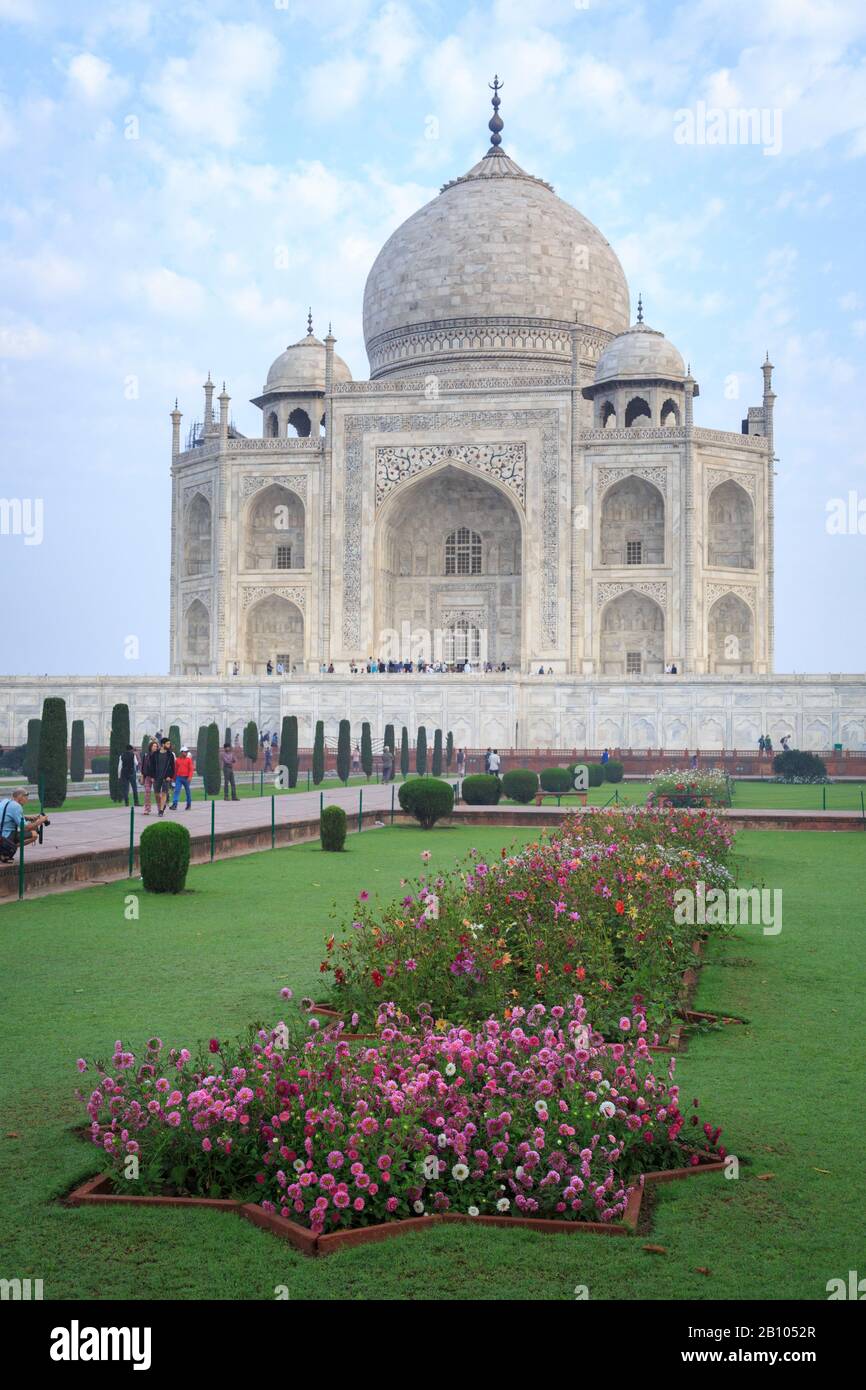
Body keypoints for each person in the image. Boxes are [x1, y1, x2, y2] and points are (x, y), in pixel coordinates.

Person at [0, 788, 49, 861]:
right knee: (34, 834)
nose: (27, 800)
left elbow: (9, 815)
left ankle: (4, 849)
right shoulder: (16, 806)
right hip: (6, 836)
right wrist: (41, 821)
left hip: (1, 834)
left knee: (32, 828)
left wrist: (28, 818)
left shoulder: (5, 801)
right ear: (20, 797)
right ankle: (7, 850)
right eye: (26, 798)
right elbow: (25, 828)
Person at [152, 738, 175, 817]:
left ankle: (161, 810)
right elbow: (151, 766)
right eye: (168, 744)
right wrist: (152, 776)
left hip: (166, 777)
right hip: (156, 777)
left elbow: (173, 767)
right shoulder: (155, 754)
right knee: (156, 794)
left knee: (164, 793)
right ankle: (162, 804)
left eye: (169, 744)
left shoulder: (170, 755)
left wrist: (170, 776)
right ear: (163, 744)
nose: (169, 745)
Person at [141, 739, 159, 814]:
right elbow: (143, 767)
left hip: (156, 777)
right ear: (150, 747)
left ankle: (160, 809)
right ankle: (147, 809)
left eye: (156, 746)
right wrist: (142, 776)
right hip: (147, 777)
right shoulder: (146, 756)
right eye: (154, 746)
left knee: (157, 794)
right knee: (147, 793)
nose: (155, 747)